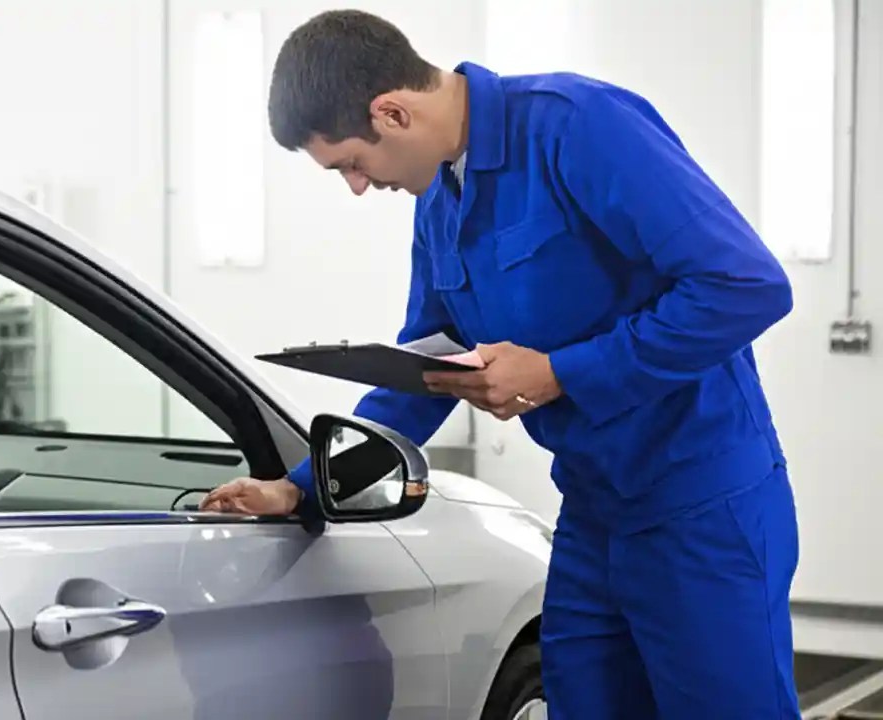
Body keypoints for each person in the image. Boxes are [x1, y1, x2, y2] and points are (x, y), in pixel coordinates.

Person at [199, 9, 799, 720]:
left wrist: (562, 373)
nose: (358, 188)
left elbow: (746, 287)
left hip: (701, 505)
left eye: (352, 164)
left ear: (390, 111)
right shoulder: (438, 205)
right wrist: (301, 488)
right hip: (593, 511)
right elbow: (423, 374)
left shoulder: (578, 127)